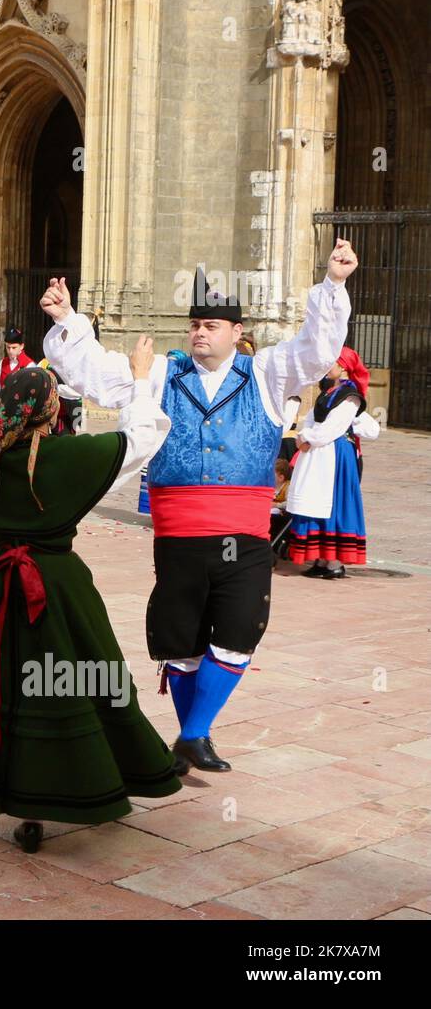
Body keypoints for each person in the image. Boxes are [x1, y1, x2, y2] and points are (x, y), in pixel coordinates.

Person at [40, 239, 358, 773]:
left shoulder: (268, 372)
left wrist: (335, 284)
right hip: (179, 530)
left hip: (245, 532)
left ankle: (192, 733)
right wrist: (68, 317)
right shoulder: (164, 372)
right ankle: (192, 740)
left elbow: (316, 349)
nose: (200, 333)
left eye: (212, 326)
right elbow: (95, 375)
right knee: (182, 639)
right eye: (195, 325)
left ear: (237, 332)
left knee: (238, 631)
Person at [0, 341, 181, 851]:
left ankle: (19, 797)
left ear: (5, 407)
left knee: (4, 685)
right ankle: (101, 778)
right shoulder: (77, 455)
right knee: (83, 675)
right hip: (58, 584)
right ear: (54, 410)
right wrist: (141, 377)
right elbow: (141, 437)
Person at [285, 346, 379, 578]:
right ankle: (320, 558)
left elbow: (333, 427)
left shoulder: (350, 397)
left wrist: (308, 438)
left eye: (331, 363)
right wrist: (303, 436)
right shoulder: (327, 393)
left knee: (334, 503)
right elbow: (310, 418)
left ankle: (334, 562)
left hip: (335, 456)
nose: (326, 368)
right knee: (317, 501)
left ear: (343, 367)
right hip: (318, 453)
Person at [0, 326, 35, 397]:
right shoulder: (3, 362)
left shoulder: (30, 365)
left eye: (14, 348)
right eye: (8, 347)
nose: (10, 351)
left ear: (22, 346)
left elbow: (32, 391)